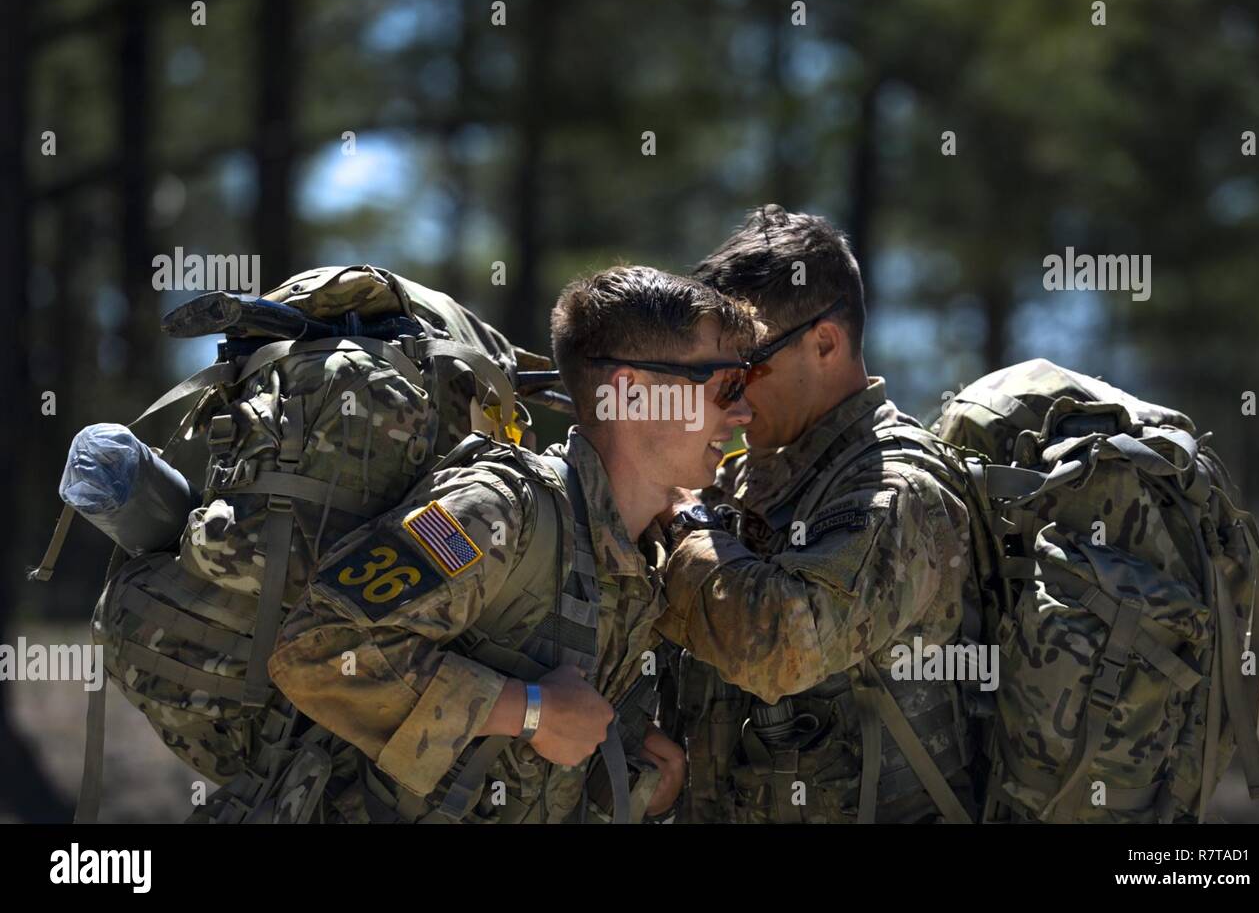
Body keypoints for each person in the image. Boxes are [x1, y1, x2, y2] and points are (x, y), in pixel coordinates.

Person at [267, 265, 755, 823]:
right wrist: (530, 712)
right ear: (632, 392)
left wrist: (647, 793)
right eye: (723, 384)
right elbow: (319, 647)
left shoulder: (648, 559)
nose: (742, 412)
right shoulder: (501, 510)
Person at [657, 206, 979, 824]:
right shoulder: (743, 479)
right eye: (714, 375)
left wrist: (680, 520)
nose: (729, 396)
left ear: (825, 343)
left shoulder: (896, 489)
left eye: (745, 368)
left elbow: (785, 647)